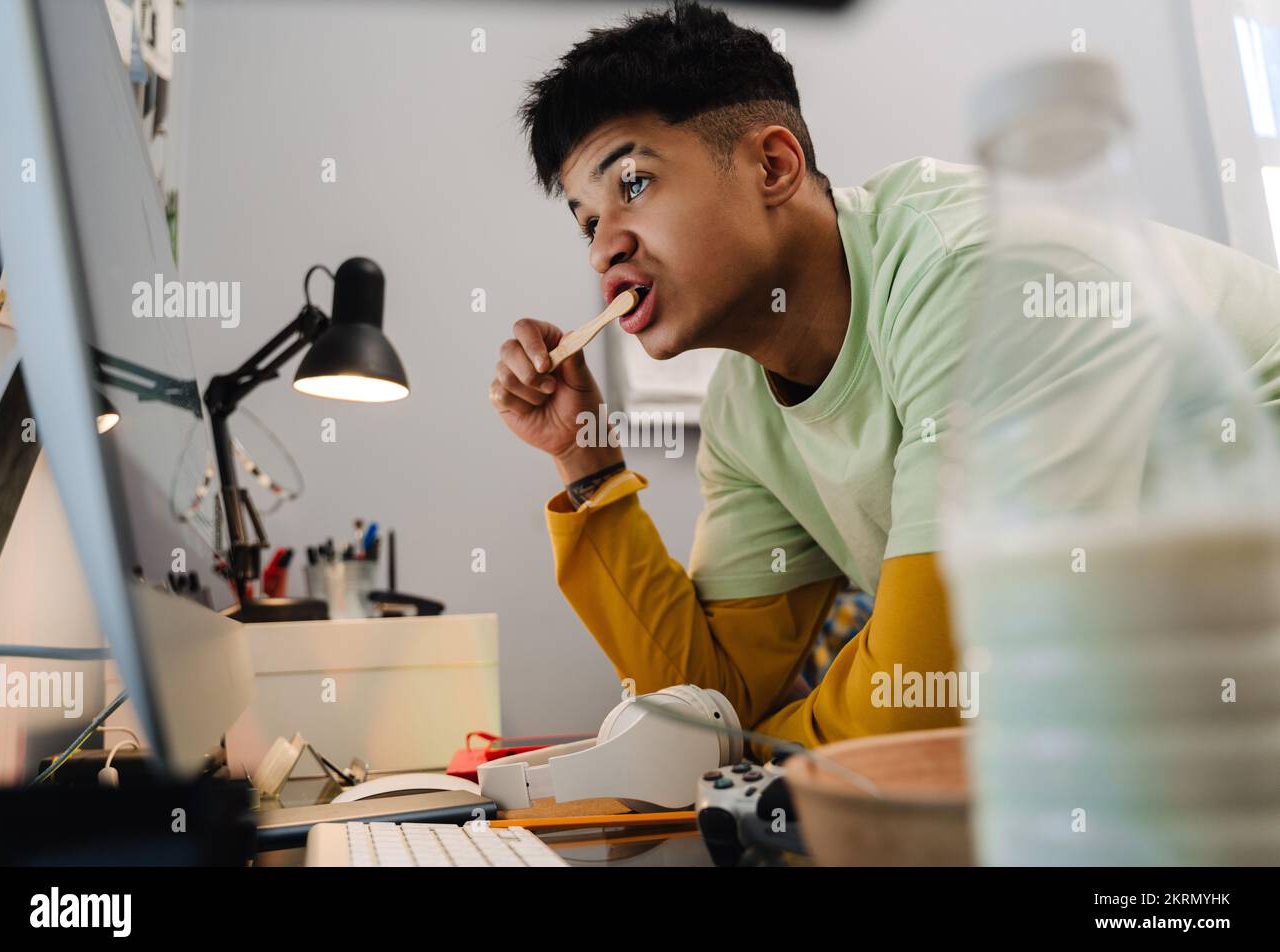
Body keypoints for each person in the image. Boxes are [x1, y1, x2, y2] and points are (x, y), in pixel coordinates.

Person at [488, 0, 1280, 755]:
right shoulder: (744, 408)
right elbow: (710, 699)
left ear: (772, 164)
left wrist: (748, 773)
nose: (602, 250)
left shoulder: (977, 274)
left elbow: (926, 700)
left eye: (632, 184)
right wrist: (585, 463)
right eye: (588, 220)